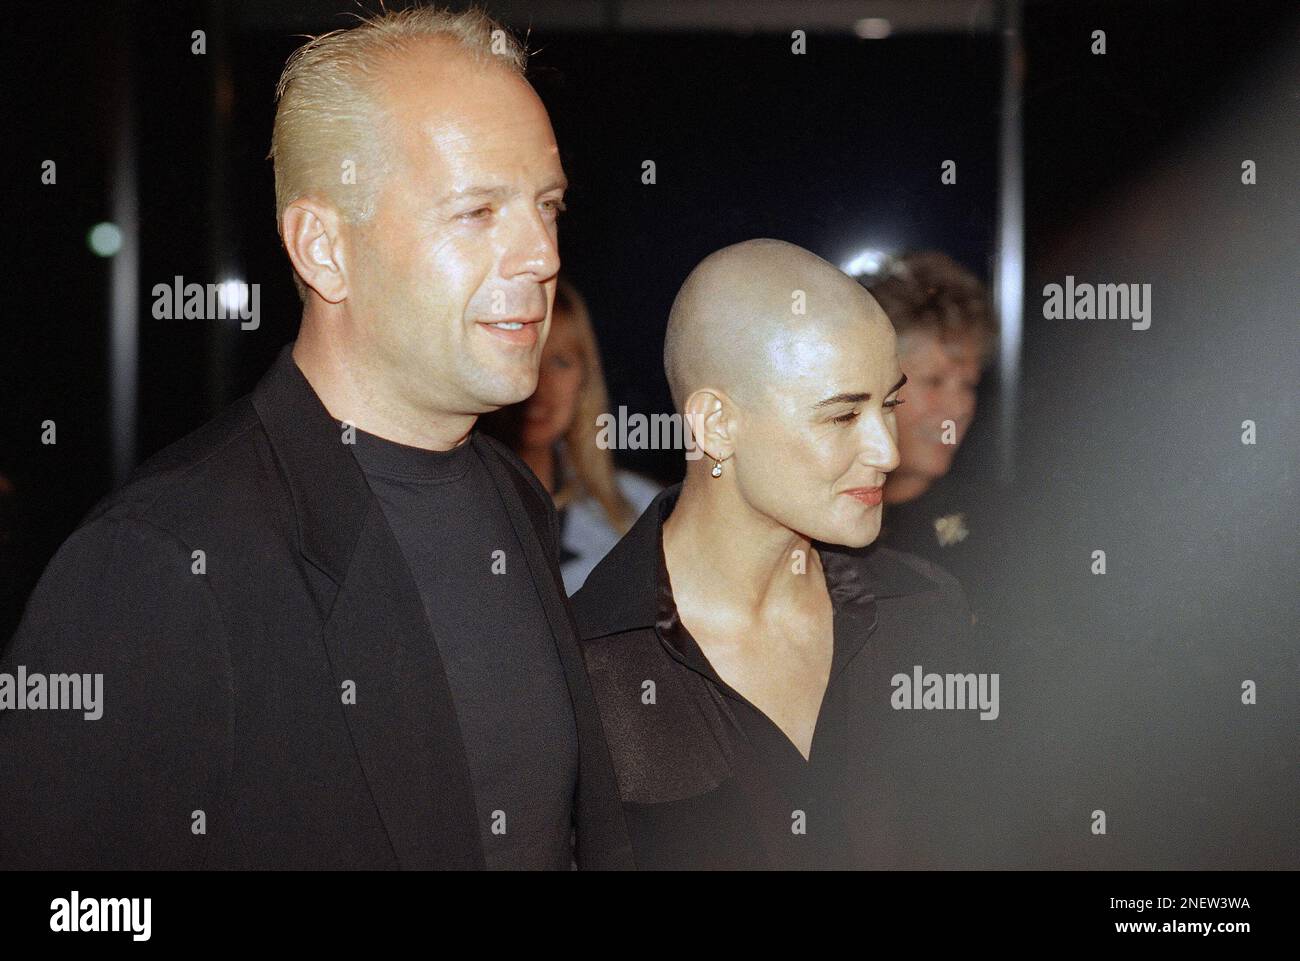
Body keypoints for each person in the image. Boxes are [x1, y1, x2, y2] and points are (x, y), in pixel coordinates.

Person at [0, 6, 631, 870]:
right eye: (478, 211)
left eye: (547, 205)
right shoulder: (157, 560)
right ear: (323, 248)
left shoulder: (510, 495)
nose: (541, 254)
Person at [570, 240, 1000, 869]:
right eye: (841, 417)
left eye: (889, 404)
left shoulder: (922, 612)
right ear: (715, 425)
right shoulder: (584, 668)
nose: (886, 449)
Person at [480, 277, 660, 593]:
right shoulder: (441, 515)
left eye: (560, 362)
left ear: (584, 380)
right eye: (522, 355)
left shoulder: (641, 513)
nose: (538, 382)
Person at [866, 252, 1000, 624]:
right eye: (934, 382)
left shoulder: (996, 533)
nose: (958, 407)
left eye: (968, 385)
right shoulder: (820, 525)